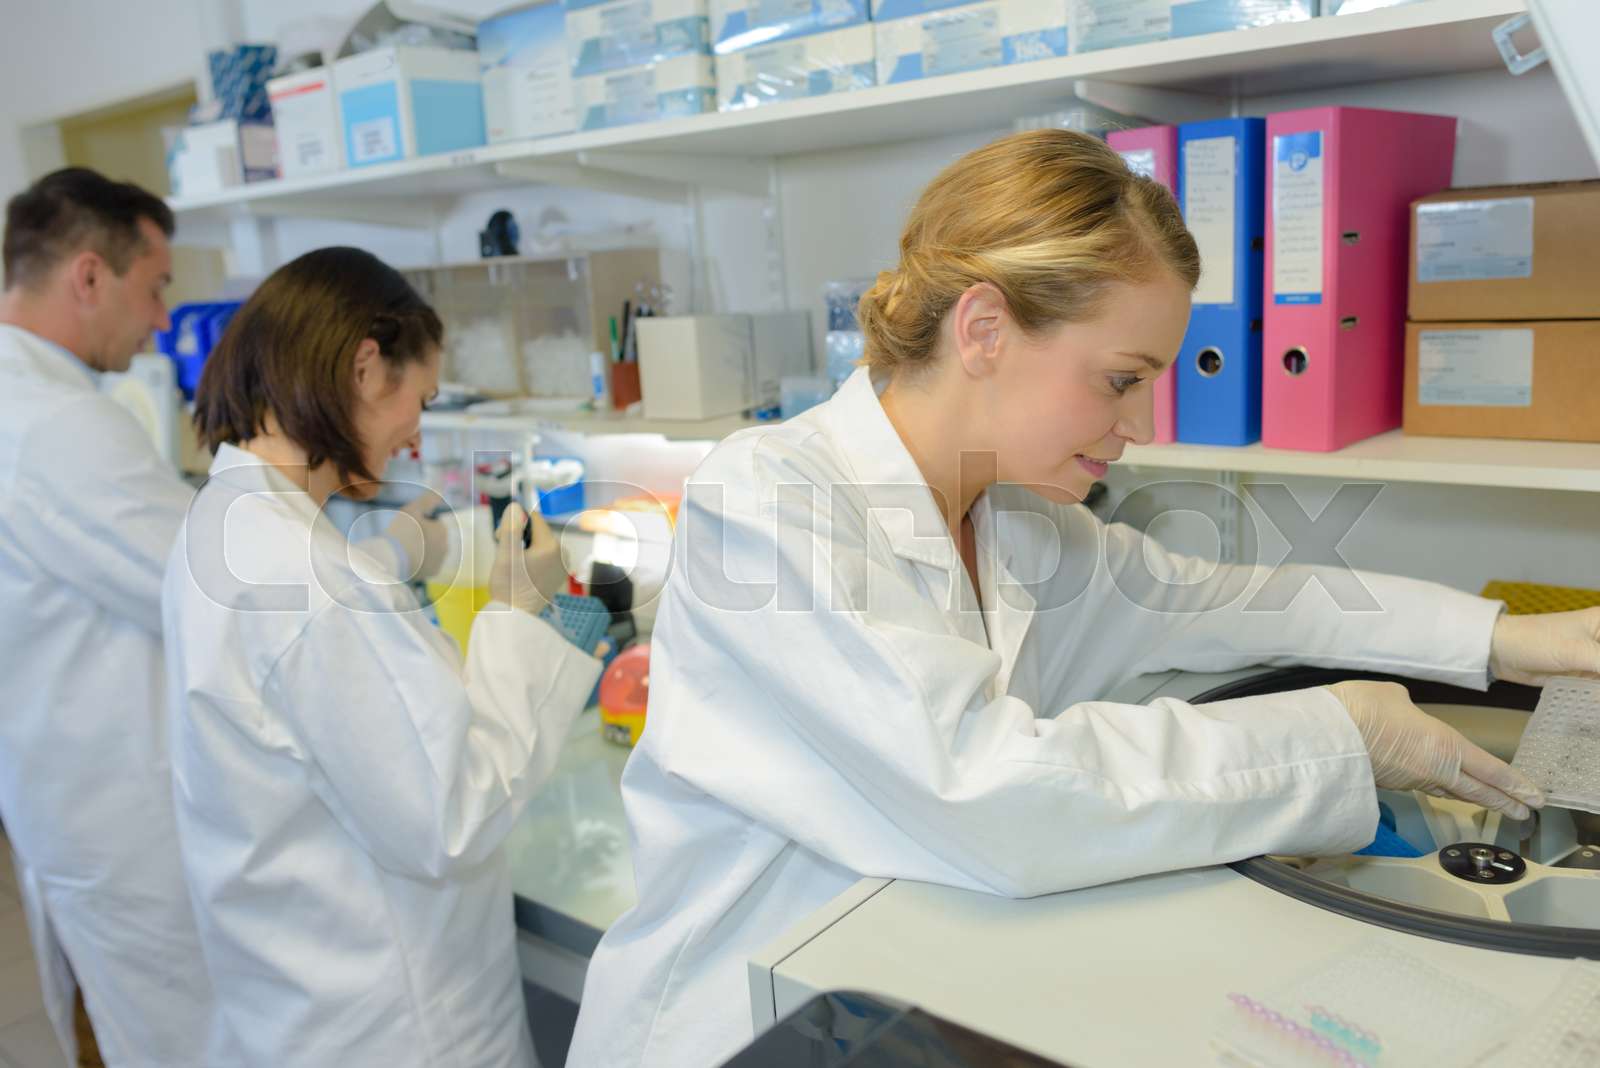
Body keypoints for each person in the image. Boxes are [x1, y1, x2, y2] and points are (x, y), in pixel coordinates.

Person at [565, 129, 1593, 1067]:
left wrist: (1511, 640)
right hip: (740, 1025)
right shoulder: (769, 502)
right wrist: (1340, 732)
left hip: (899, 1001)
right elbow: (984, 793)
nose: (1138, 422)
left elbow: (1242, 601)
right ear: (983, 331)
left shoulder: (1016, 522)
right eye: (1118, 379)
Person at [162, 246, 603, 1066]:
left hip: (299, 995)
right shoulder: (310, 581)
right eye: (422, 399)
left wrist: (398, 555)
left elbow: (308, 663)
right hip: (397, 1024)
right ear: (367, 365)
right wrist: (521, 613)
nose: (415, 432)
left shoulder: (225, 521)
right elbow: (454, 817)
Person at [0, 167, 225, 1066]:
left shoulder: (36, 405)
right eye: (157, 286)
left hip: (69, 804)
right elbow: (211, 588)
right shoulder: (51, 426)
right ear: (89, 275)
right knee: (176, 1041)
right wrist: (395, 551)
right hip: (123, 834)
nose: (164, 317)